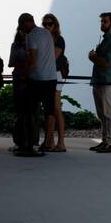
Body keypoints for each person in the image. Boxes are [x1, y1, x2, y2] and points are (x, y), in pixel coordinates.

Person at [21, 13, 58, 154]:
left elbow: (33, 58)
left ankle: (29, 143)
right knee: (50, 111)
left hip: (37, 78)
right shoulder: (46, 34)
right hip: (51, 77)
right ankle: (48, 142)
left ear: (27, 23)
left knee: (30, 111)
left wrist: (25, 74)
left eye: (22, 25)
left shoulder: (31, 36)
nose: (21, 29)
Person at [89, 12, 111, 152]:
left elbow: (107, 62)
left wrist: (93, 57)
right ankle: (105, 141)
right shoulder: (106, 39)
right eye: (102, 21)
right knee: (102, 114)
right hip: (100, 80)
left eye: (105, 21)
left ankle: (110, 142)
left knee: (109, 113)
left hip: (108, 81)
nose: (102, 24)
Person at [42, 14, 69, 152]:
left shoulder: (59, 40)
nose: (47, 26)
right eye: (45, 24)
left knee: (56, 109)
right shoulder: (45, 39)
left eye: (50, 24)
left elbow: (52, 57)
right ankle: (50, 141)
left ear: (55, 25)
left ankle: (61, 143)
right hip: (48, 76)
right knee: (50, 109)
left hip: (57, 75)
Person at [8, 22, 33, 153]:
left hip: (29, 80)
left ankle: (29, 141)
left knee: (29, 112)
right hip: (19, 79)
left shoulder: (32, 44)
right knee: (20, 112)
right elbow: (10, 63)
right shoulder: (16, 45)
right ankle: (20, 141)